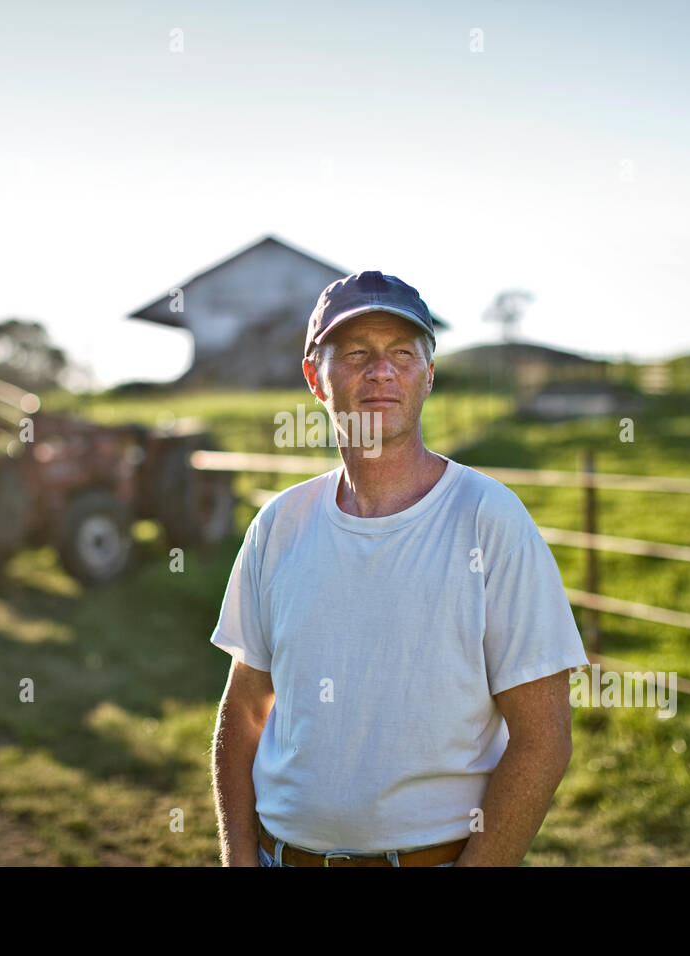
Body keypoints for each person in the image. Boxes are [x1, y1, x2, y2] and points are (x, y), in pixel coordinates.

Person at [209, 270, 589, 867]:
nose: (380, 372)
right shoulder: (279, 525)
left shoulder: (488, 519)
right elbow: (245, 710)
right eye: (356, 353)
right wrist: (238, 859)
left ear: (429, 375)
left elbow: (544, 740)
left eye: (403, 353)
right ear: (315, 376)